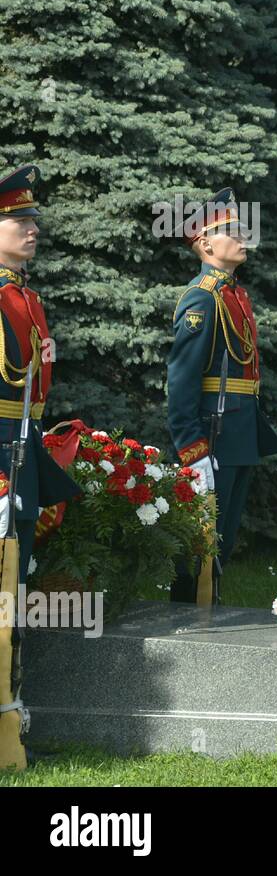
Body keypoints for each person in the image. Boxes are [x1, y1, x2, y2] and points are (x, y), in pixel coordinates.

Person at [0, 165, 83, 770]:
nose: (33, 229)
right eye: (19, 220)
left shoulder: (25, 296)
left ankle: (11, 724)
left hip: (21, 447)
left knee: (14, 588)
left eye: (32, 220)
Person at [167, 187, 277, 603]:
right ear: (204, 243)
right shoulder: (203, 298)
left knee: (223, 536)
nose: (242, 238)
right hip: (212, 433)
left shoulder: (235, 294)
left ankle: (209, 611)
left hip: (238, 430)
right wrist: (190, 445)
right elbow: (182, 377)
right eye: (231, 231)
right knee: (200, 541)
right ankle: (187, 617)